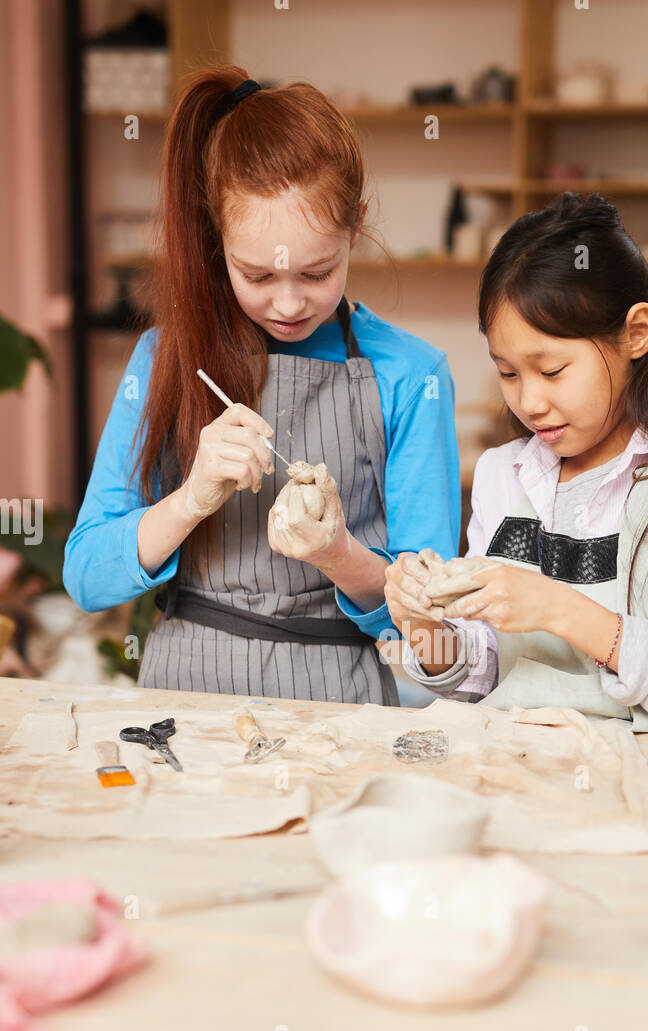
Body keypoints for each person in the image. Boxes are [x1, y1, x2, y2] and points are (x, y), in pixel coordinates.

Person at [64, 69, 460, 704]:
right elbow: (86, 578)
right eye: (256, 275)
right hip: (184, 699)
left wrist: (339, 554)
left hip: (337, 705)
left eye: (317, 271)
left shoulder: (411, 375)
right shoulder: (163, 358)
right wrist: (190, 499)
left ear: (355, 226)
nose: (288, 303)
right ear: (217, 240)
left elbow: (432, 625)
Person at [385, 193, 648, 733]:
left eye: (550, 371)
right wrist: (422, 627)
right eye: (508, 374)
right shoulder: (506, 473)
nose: (528, 402)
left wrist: (559, 609)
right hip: (521, 773)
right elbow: (480, 673)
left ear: (636, 333)